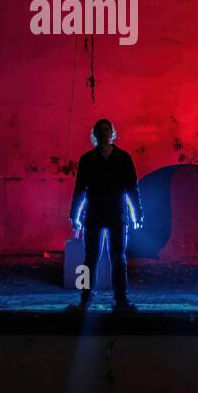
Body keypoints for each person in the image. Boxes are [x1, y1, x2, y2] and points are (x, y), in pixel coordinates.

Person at [68, 118, 143, 312]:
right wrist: (74, 215)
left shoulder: (123, 159)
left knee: (117, 259)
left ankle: (120, 299)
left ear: (111, 132)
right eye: (100, 130)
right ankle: (85, 299)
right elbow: (79, 189)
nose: (104, 133)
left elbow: (132, 188)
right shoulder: (88, 160)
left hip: (116, 216)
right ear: (96, 134)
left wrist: (138, 213)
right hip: (94, 216)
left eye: (106, 129)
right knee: (90, 259)